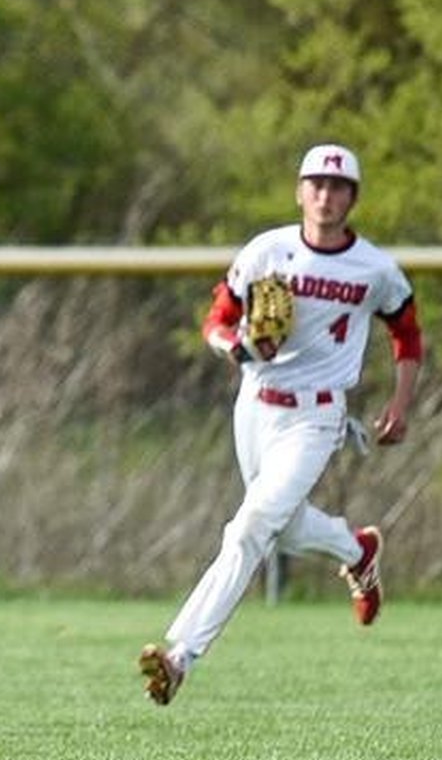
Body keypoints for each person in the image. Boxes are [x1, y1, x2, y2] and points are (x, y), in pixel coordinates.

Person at [139, 143, 425, 706]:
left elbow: (407, 334)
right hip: (256, 404)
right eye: (316, 183)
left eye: (339, 186)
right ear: (299, 191)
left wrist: (401, 403)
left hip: (317, 417)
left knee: (248, 528)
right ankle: (356, 551)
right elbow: (217, 321)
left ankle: (179, 656)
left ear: (354, 198)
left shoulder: (375, 268)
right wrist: (240, 347)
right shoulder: (267, 251)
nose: (326, 194)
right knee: (286, 529)